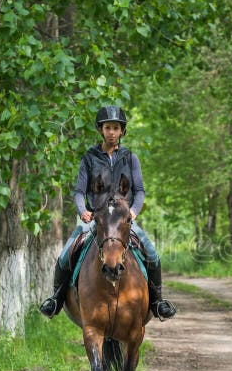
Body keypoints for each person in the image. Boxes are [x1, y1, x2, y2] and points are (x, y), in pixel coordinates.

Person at [39, 105, 177, 321]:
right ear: (101, 130)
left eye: (116, 128)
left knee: (151, 253)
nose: (112, 132)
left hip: (122, 220)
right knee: (66, 254)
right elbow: (78, 192)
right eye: (107, 127)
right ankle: (56, 300)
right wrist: (82, 210)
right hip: (95, 219)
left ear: (122, 131)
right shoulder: (89, 158)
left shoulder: (130, 158)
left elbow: (139, 191)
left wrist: (133, 211)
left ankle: (158, 301)